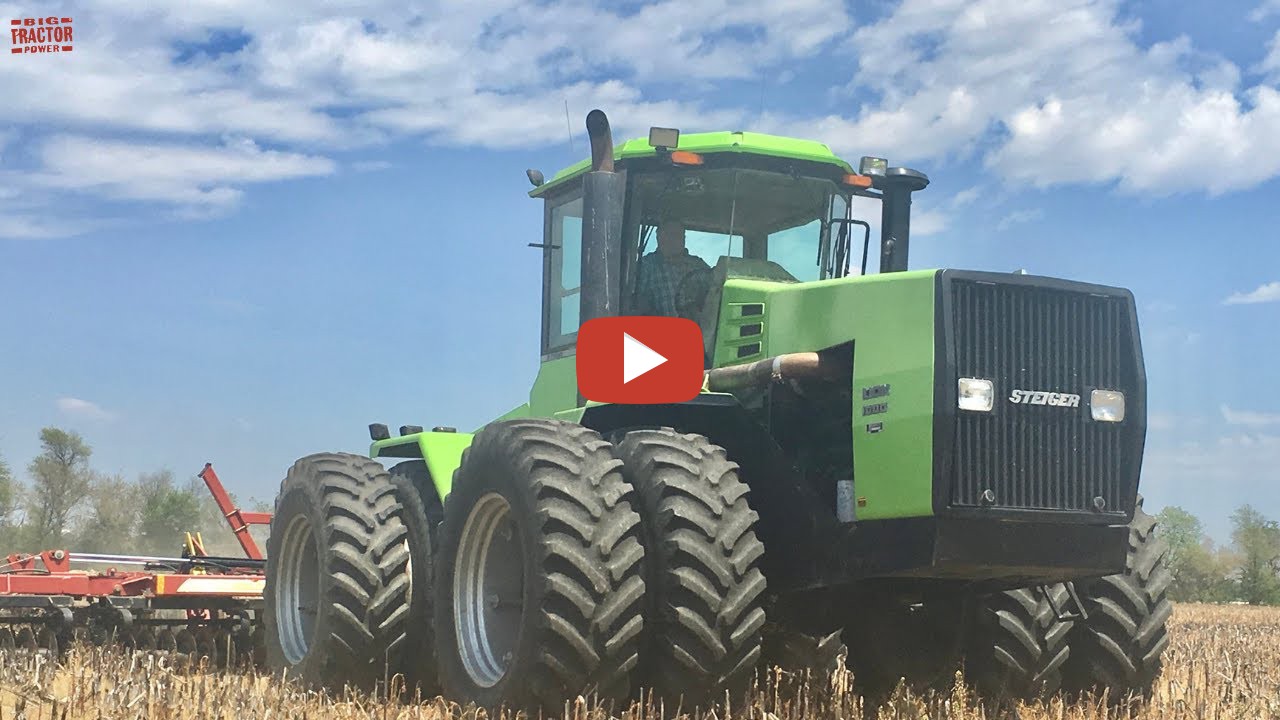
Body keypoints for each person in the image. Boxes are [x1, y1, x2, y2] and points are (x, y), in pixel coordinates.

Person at [633, 220, 712, 319]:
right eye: (670, 235)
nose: (675, 239)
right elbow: (633, 303)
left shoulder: (698, 264)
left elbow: (716, 289)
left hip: (703, 332)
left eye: (679, 235)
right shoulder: (646, 266)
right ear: (659, 238)